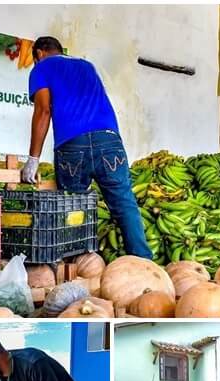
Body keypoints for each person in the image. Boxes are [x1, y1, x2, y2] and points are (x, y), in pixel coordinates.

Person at [21, 36, 152, 259]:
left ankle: (75, 266)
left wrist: (33, 159)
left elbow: (43, 110)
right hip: (109, 140)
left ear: (40, 53)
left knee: (74, 206)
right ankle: (144, 263)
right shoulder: (87, 65)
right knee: (124, 203)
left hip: (73, 144)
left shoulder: (42, 67)